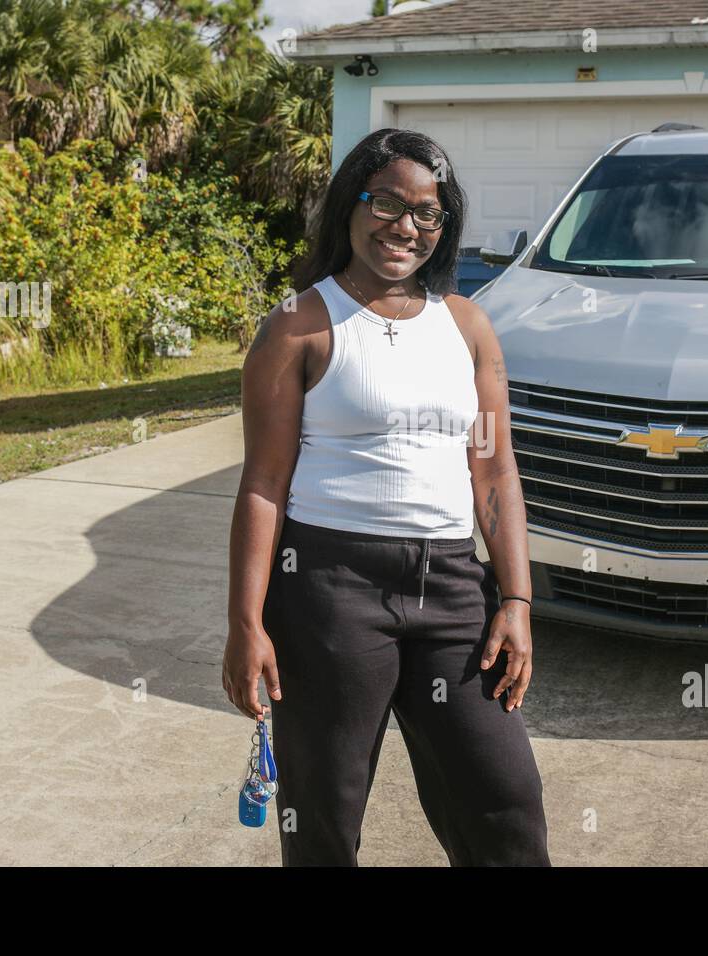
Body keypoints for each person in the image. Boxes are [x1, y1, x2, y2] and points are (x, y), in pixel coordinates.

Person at [222, 128, 551, 867]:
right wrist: (246, 622)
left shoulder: (466, 325)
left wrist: (517, 601)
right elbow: (263, 485)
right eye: (387, 203)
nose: (405, 226)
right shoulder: (298, 323)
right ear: (350, 205)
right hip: (329, 592)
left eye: (427, 213)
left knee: (505, 802)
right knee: (324, 815)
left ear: (444, 224)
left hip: (454, 591)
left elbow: (494, 473)